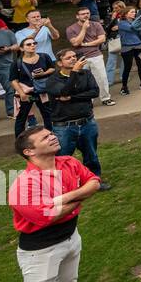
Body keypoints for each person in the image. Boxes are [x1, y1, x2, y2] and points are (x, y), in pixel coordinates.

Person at [9, 126, 105, 282]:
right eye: (45, 137)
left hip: (71, 237)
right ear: (29, 151)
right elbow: (47, 216)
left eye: (51, 133)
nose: (52, 136)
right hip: (40, 251)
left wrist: (63, 199)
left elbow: (94, 182)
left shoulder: (68, 162)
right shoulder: (23, 185)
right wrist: (78, 196)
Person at [43, 48, 108, 189]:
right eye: (68, 58)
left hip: (87, 122)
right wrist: (73, 74)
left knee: (91, 156)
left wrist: (72, 97)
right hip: (64, 127)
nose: (73, 59)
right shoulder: (53, 80)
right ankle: (62, 186)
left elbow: (94, 92)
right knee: (62, 159)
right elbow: (64, 91)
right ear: (60, 63)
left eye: (74, 56)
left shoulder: (86, 73)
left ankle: (94, 182)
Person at [65, 6, 113, 107]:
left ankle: (106, 98)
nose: (86, 15)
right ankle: (88, 101)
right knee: (83, 81)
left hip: (96, 55)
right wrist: (83, 29)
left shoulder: (96, 24)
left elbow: (102, 39)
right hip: (80, 57)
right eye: (83, 14)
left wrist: (86, 44)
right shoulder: (71, 29)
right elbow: (76, 43)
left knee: (102, 78)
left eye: (87, 13)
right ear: (77, 16)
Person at [11, 34, 55, 136]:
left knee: (47, 114)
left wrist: (43, 73)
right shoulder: (17, 63)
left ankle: (50, 136)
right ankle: (20, 140)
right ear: (22, 48)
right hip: (27, 93)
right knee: (22, 116)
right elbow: (13, 80)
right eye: (29, 44)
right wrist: (22, 94)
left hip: (41, 91)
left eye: (34, 43)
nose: (32, 45)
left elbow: (52, 68)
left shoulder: (44, 56)